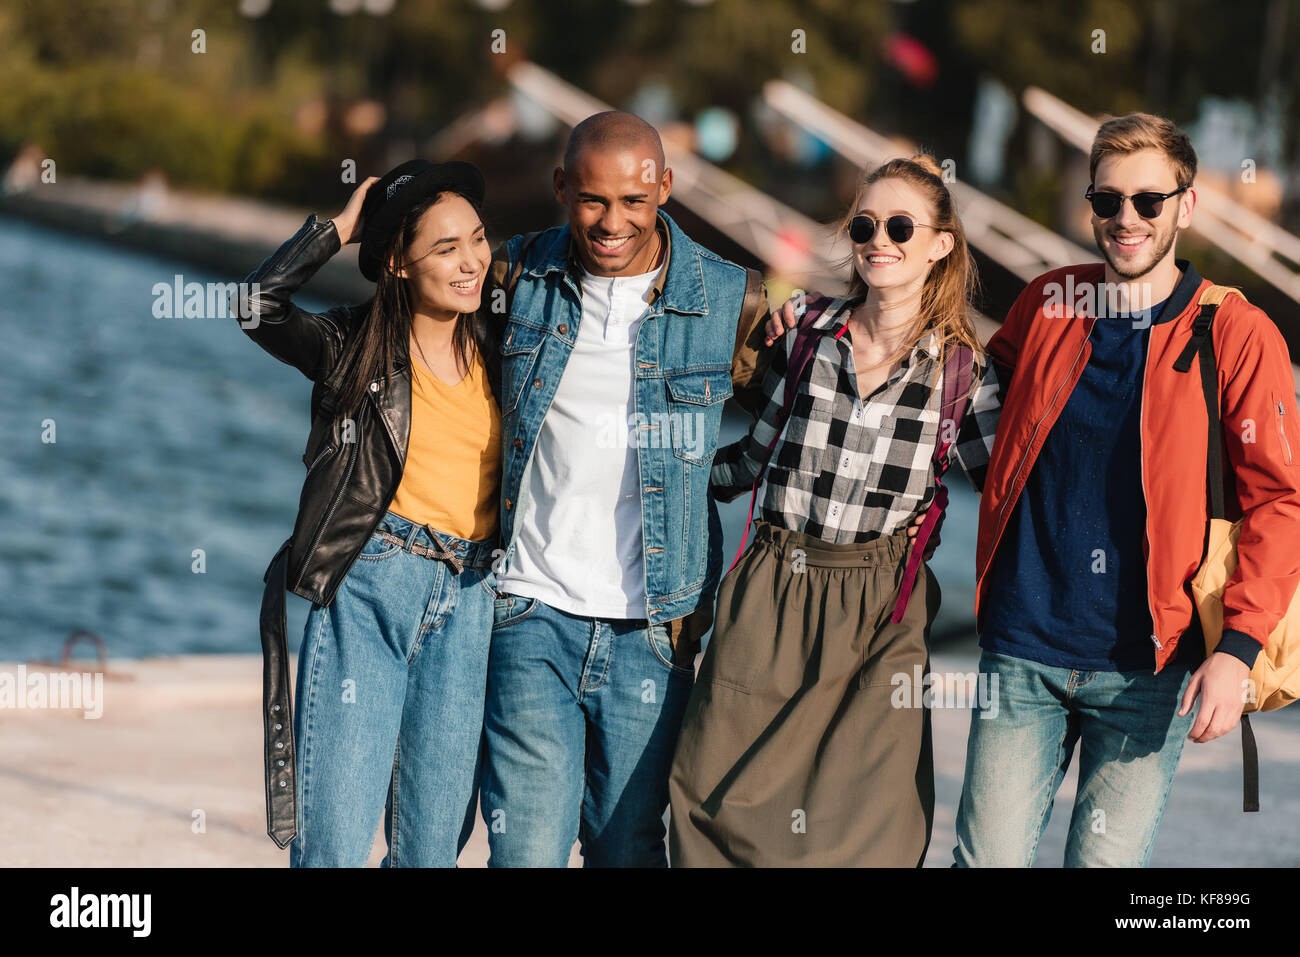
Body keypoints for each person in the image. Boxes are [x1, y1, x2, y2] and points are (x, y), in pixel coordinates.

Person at [945, 113, 1300, 867]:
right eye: (1108, 201)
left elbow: (1281, 500)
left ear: (1187, 205)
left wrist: (1237, 650)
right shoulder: (1048, 305)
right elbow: (965, 395)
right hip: (1023, 647)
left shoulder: (1236, 334)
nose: (1126, 220)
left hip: (1152, 666)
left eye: (1148, 200)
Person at [668, 154, 999, 866]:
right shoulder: (807, 333)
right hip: (773, 584)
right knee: (710, 787)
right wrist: (662, 477)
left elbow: (1015, 492)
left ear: (941, 244)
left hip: (884, 606)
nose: (880, 240)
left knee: (867, 821)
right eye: (866, 225)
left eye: (901, 226)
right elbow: (751, 458)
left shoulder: (963, 375)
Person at [475, 111, 775, 867]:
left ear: (664, 188)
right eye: (591, 199)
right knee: (527, 850)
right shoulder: (516, 275)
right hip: (528, 609)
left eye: (633, 202)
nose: (611, 222)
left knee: (628, 847)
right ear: (561, 188)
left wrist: (710, 477)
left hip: (656, 628)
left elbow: (783, 424)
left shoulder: (730, 300)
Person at [239, 161, 503, 867]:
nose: (471, 260)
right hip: (371, 586)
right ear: (396, 262)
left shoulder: (506, 349)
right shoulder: (351, 346)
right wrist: (338, 228)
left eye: (477, 239)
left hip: (472, 598)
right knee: (331, 845)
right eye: (446, 248)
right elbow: (256, 304)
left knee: (429, 854)